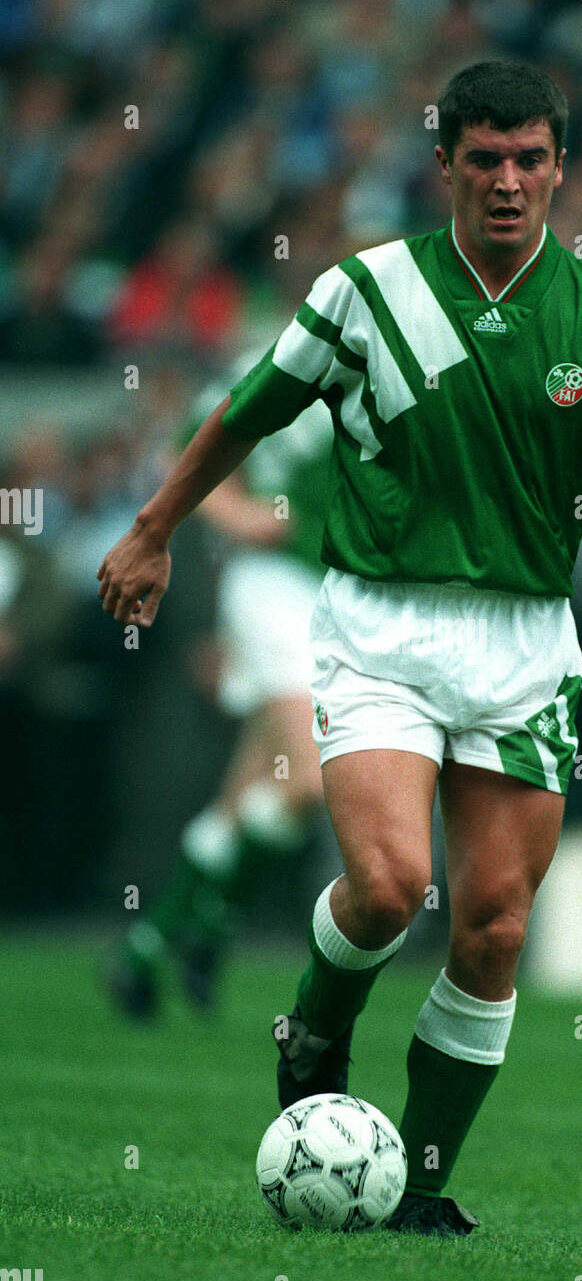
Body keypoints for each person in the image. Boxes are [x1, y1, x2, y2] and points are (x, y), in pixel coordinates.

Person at [97, 60, 582, 1236]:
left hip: (525, 642)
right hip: (379, 625)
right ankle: (314, 1033)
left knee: (495, 928)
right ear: (445, 167)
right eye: (484, 159)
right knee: (387, 886)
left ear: (560, 168)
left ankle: (420, 1186)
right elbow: (246, 411)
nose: (509, 181)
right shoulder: (363, 291)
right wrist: (154, 529)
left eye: (530, 159)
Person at [108, 363, 332, 1015]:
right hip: (279, 586)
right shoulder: (286, 356)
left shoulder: (409, 363)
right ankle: (208, 925)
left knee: (252, 790)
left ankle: (148, 949)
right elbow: (183, 445)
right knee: (311, 780)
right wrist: (234, 513)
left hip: (344, 596)